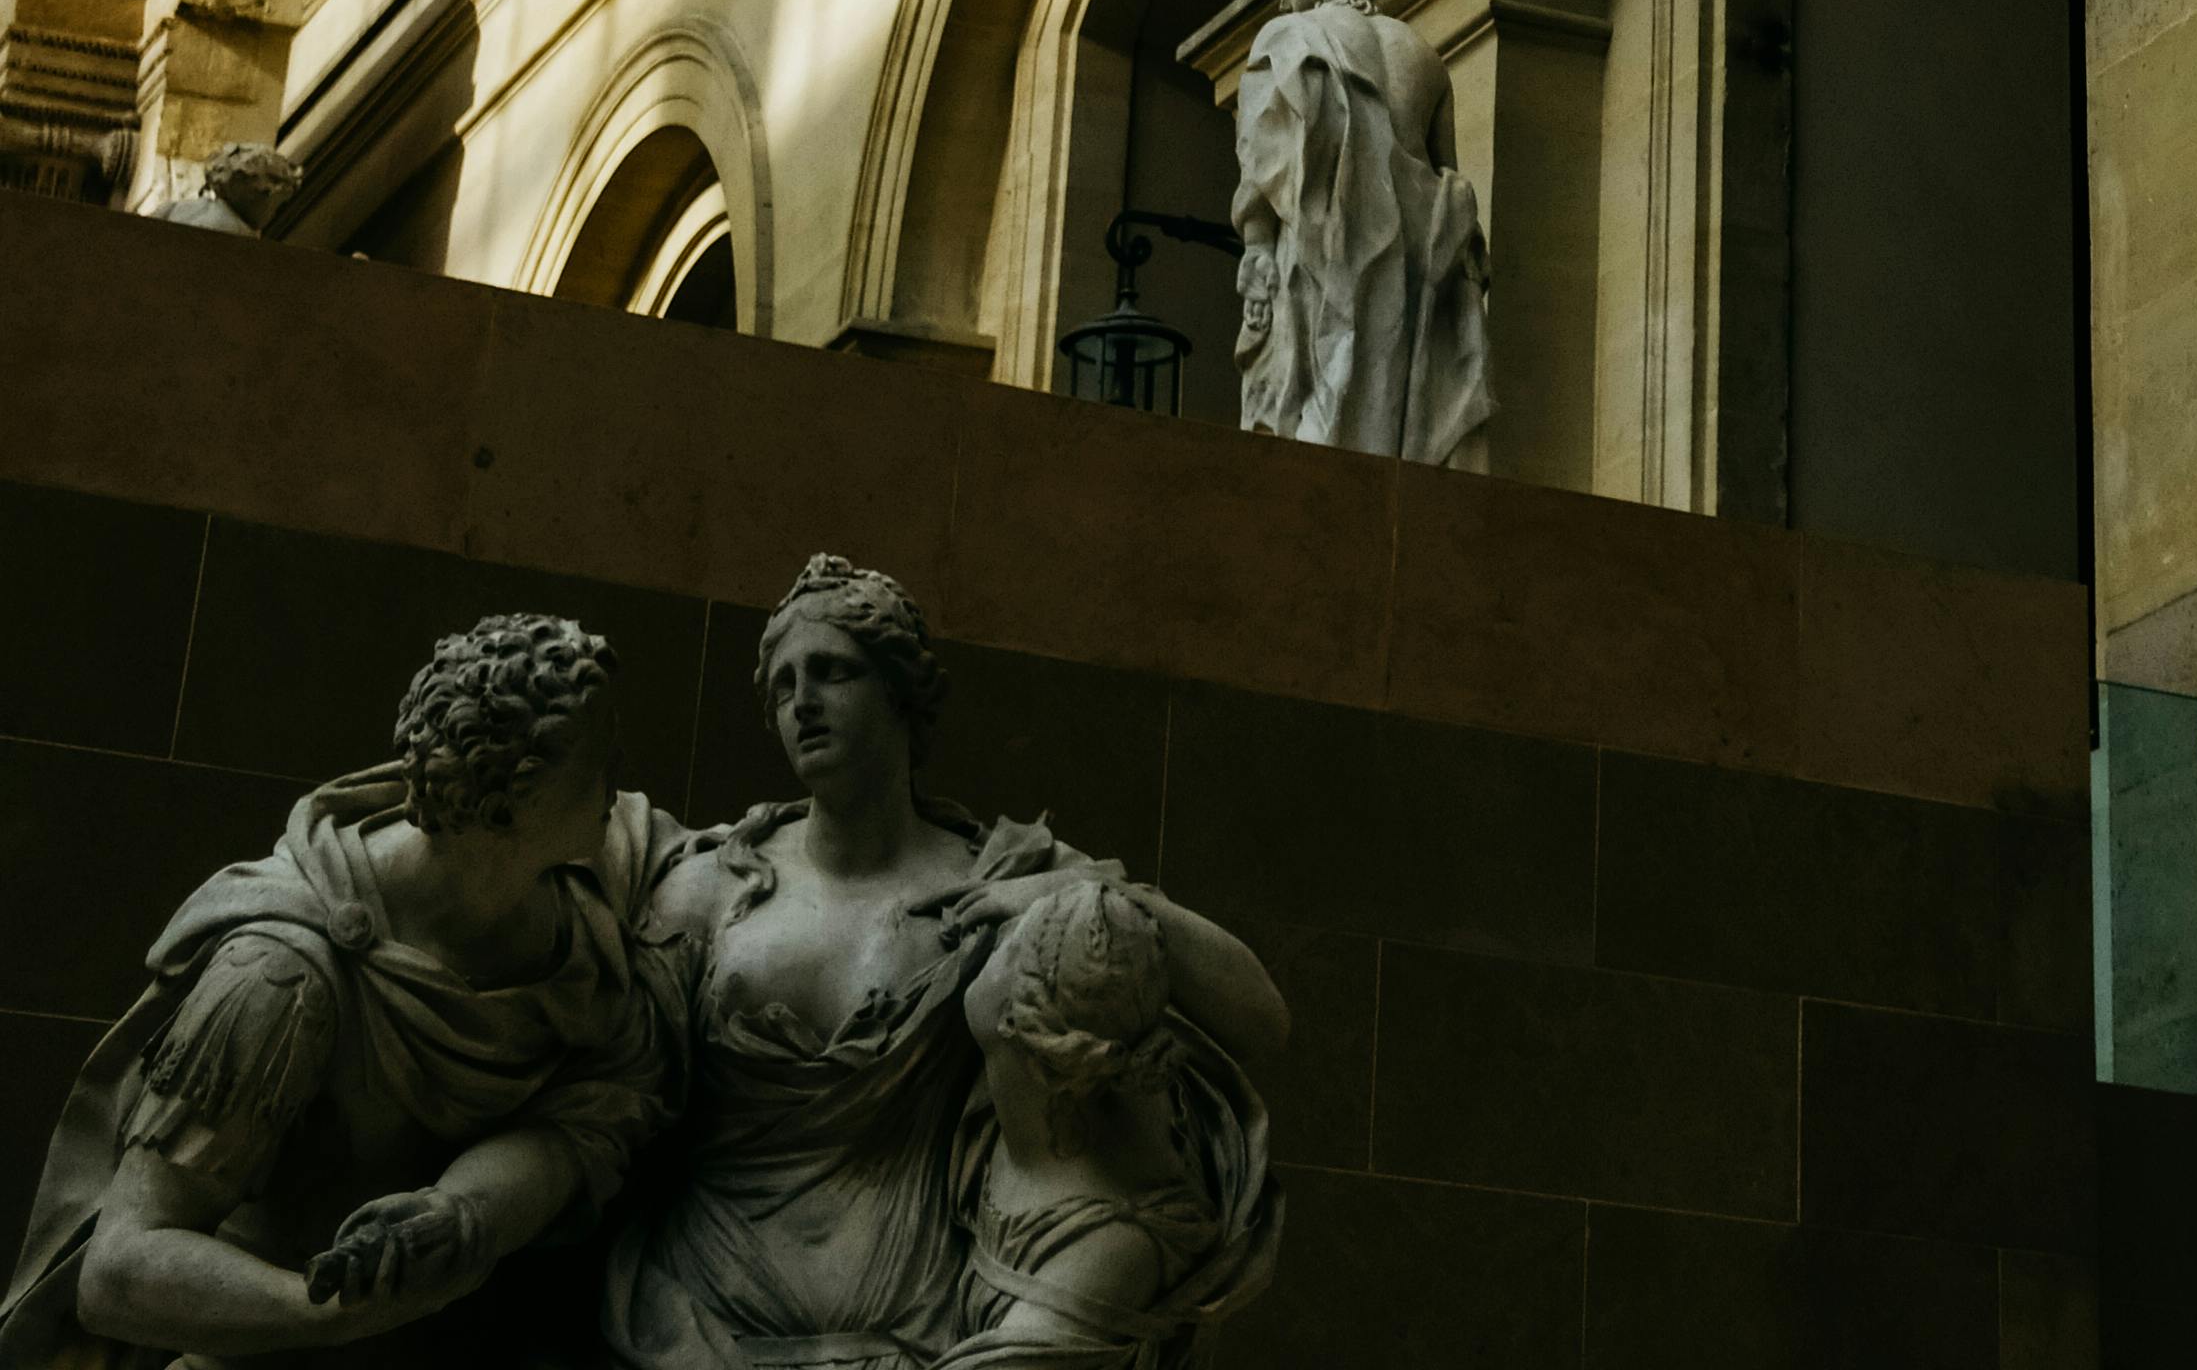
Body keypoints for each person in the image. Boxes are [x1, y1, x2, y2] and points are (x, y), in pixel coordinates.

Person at [610, 557, 1278, 1370]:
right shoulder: (712, 886)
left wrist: (1083, 889)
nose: (802, 704)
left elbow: (1261, 1020)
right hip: (698, 1329)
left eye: (832, 672)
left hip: (926, 1336)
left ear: (900, 692)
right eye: (782, 687)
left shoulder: (1000, 875)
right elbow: (613, 1090)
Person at [3, 614, 664, 1370]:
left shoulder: (585, 884)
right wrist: (335, 1313)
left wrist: (465, 1213)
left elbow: (589, 1104)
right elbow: (118, 1273)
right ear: (510, 803)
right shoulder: (278, 979)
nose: (621, 772)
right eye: (598, 759)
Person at [956, 879, 1273, 1369]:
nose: (1002, 934)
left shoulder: (1110, 1252)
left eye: (1011, 942)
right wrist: (1079, 886)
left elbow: (1268, 1020)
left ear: (1017, 1030)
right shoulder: (1041, 1109)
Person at [1228, 0, 1489, 462]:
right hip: (1421, 244)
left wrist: (1256, 248)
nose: (1284, 0)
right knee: (1393, 416)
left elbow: (1263, 160)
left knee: (1316, 406)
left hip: (1329, 234)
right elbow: (1448, 170)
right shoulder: (1422, 53)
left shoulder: (1289, 38)